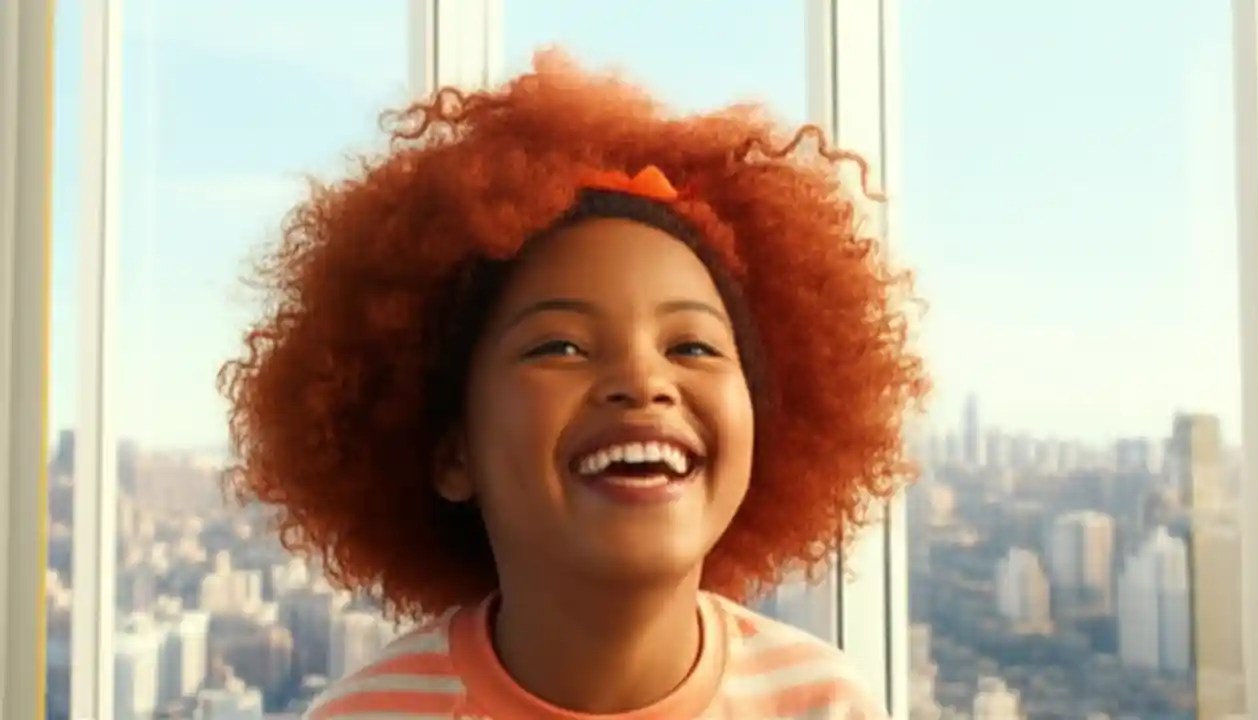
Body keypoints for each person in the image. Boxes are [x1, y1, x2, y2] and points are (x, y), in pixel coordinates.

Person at [219, 50, 926, 720]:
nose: (644, 380)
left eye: (693, 345)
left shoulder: (823, 703)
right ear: (452, 452)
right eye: (560, 345)